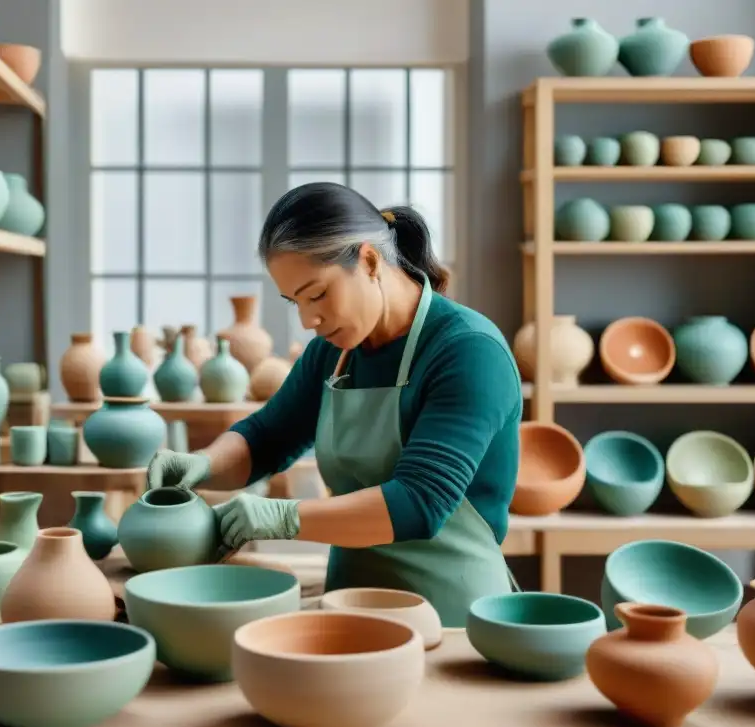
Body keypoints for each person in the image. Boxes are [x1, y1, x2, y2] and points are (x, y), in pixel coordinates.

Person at [146, 182, 523, 627]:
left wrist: (281, 517)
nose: (308, 320)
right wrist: (202, 464)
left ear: (369, 261)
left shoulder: (468, 351)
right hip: (349, 608)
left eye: (318, 294)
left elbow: (419, 503)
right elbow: (267, 438)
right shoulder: (334, 352)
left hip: (452, 621)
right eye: (295, 302)